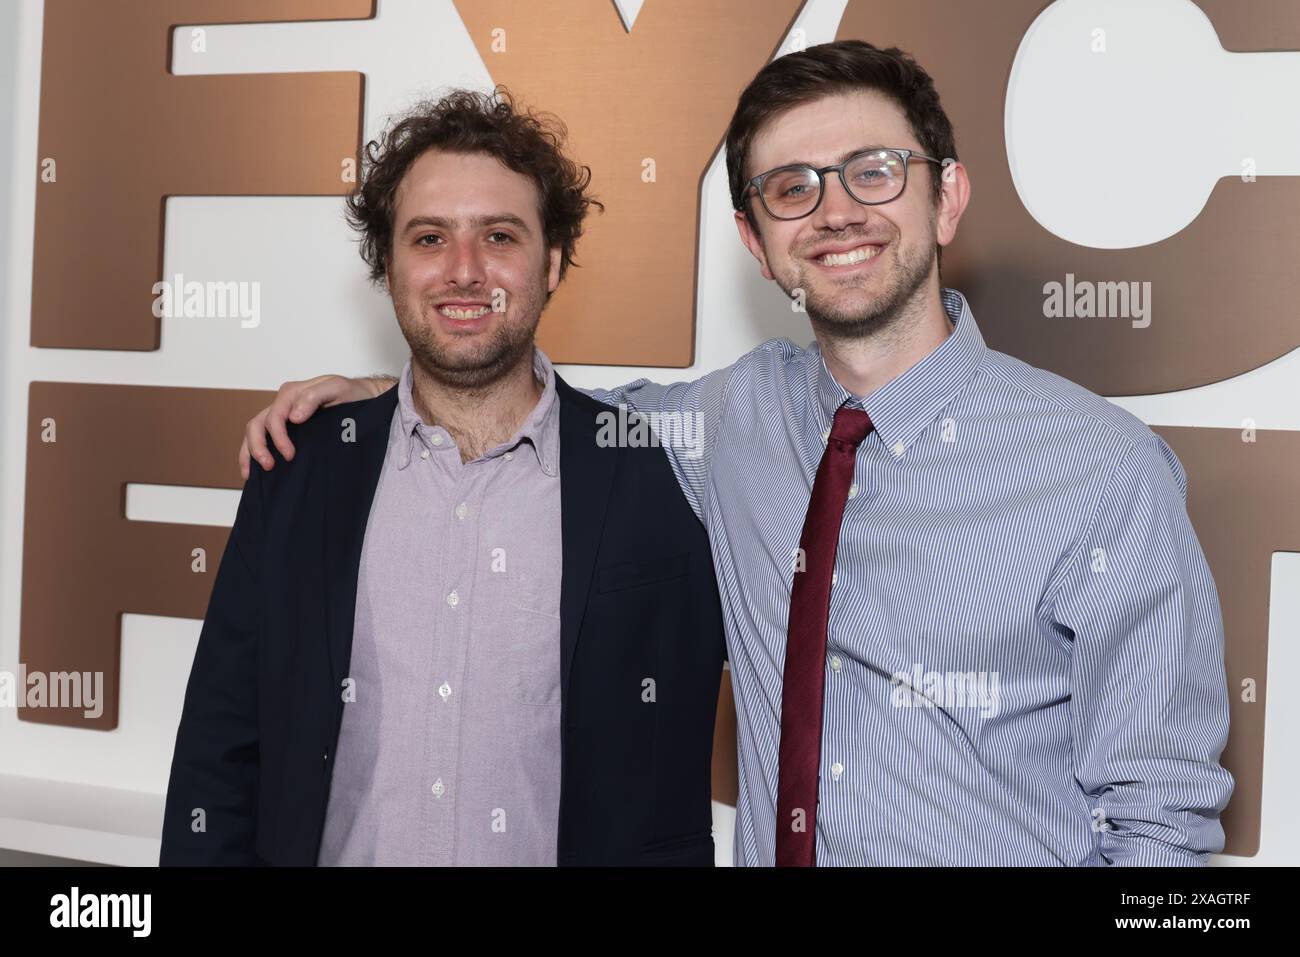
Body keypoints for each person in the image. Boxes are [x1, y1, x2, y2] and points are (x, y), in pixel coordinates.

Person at [241, 41, 1234, 866]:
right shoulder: (727, 421)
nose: (836, 210)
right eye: (791, 187)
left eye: (874, 171)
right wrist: (379, 392)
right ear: (757, 243)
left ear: (948, 198)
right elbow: (527, 407)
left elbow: (1162, 824)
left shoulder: (1103, 470)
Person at [162, 89, 726, 866]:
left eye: (500, 235)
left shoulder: (652, 472)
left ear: (553, 260)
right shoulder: (300, 469)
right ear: (388, 265)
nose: (465, 272)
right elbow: (221, 751)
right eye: (429, 238)